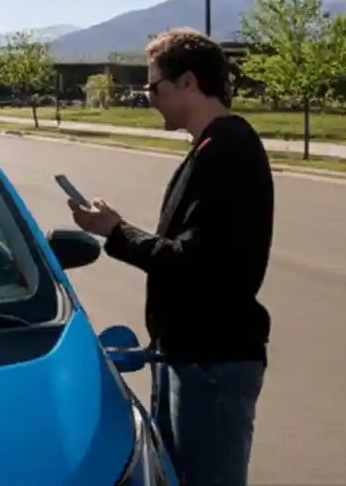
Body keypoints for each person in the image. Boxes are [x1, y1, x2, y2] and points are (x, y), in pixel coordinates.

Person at [66, 27, 274, 486]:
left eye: (153, 86)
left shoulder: (227, 152)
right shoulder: (209, 148)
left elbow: (198, 263)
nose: (148, 97)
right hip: (190, 357)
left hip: (212, 366)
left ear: (189, 83)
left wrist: (115, 233)